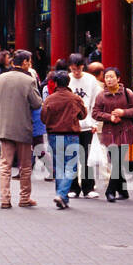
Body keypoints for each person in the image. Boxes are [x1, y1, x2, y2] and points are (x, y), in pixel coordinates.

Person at [0, 49, 43, 209]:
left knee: (5, 165)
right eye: (29, 61)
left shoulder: (0, 78)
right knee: (25, 165)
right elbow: (36, 103)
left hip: (5, 126)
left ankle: (5, 199)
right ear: (24, 63)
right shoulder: (29, 80)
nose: (30, 64)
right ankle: (24, 197)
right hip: (23, 127)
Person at [92, 67, 133, 201]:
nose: (109, 79)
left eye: (112, 76)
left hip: (125, 131)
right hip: (109, 133)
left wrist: (123, 112)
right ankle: (123, 191)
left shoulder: (127, 93)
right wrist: (109, 117)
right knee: (116, 161)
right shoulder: (101, 95)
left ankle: (110, 191)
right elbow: (95, 113)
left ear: (118, 79)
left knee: (118, 162)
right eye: (106, 77)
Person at [40, 69, 87, 210]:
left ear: (55, 83)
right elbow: (83, 115)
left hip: (54, 135)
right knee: (71, 167)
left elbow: (43, 118)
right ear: (68, 82)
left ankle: (62, 197)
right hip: (71, 135)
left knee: (59, 166)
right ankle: (61, 195)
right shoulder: (75, 98)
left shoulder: (49, 99)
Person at [66, 53, 102, 198]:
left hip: (87, 124)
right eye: (74, 69)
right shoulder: (67, 79)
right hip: (71, 125)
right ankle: (73, 188)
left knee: (86, 156)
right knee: (72, 156)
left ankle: (88, 187)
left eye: (79, 69)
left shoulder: (91, 80)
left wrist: (95, 122)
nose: (76, 72)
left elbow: (95, 101)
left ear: (83, 67)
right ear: (70, 67)